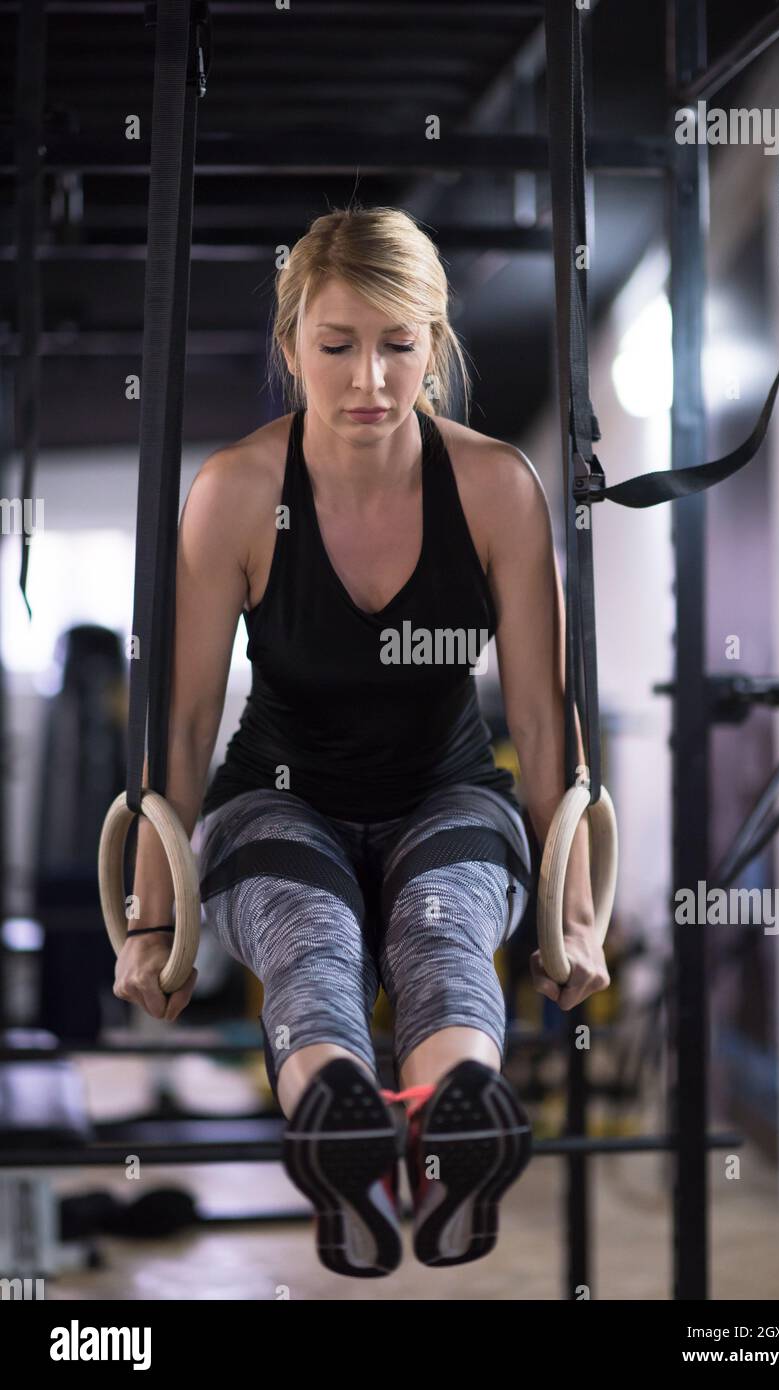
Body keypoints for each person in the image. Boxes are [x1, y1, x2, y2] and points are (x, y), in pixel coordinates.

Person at [113, 204, 609, 1278]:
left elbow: (539, 713)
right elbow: (188, 720)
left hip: (449, 794)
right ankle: (342, 1144)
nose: (370, 381)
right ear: (291, 345)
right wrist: (153, 918)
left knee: (442, 932)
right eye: (338, 346)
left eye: (399, 345)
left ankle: (462, 1121)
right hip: (277, 802)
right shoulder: (237, 493)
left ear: (436, 344)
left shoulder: (494, 487)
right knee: (309, 939)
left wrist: (571, 909)